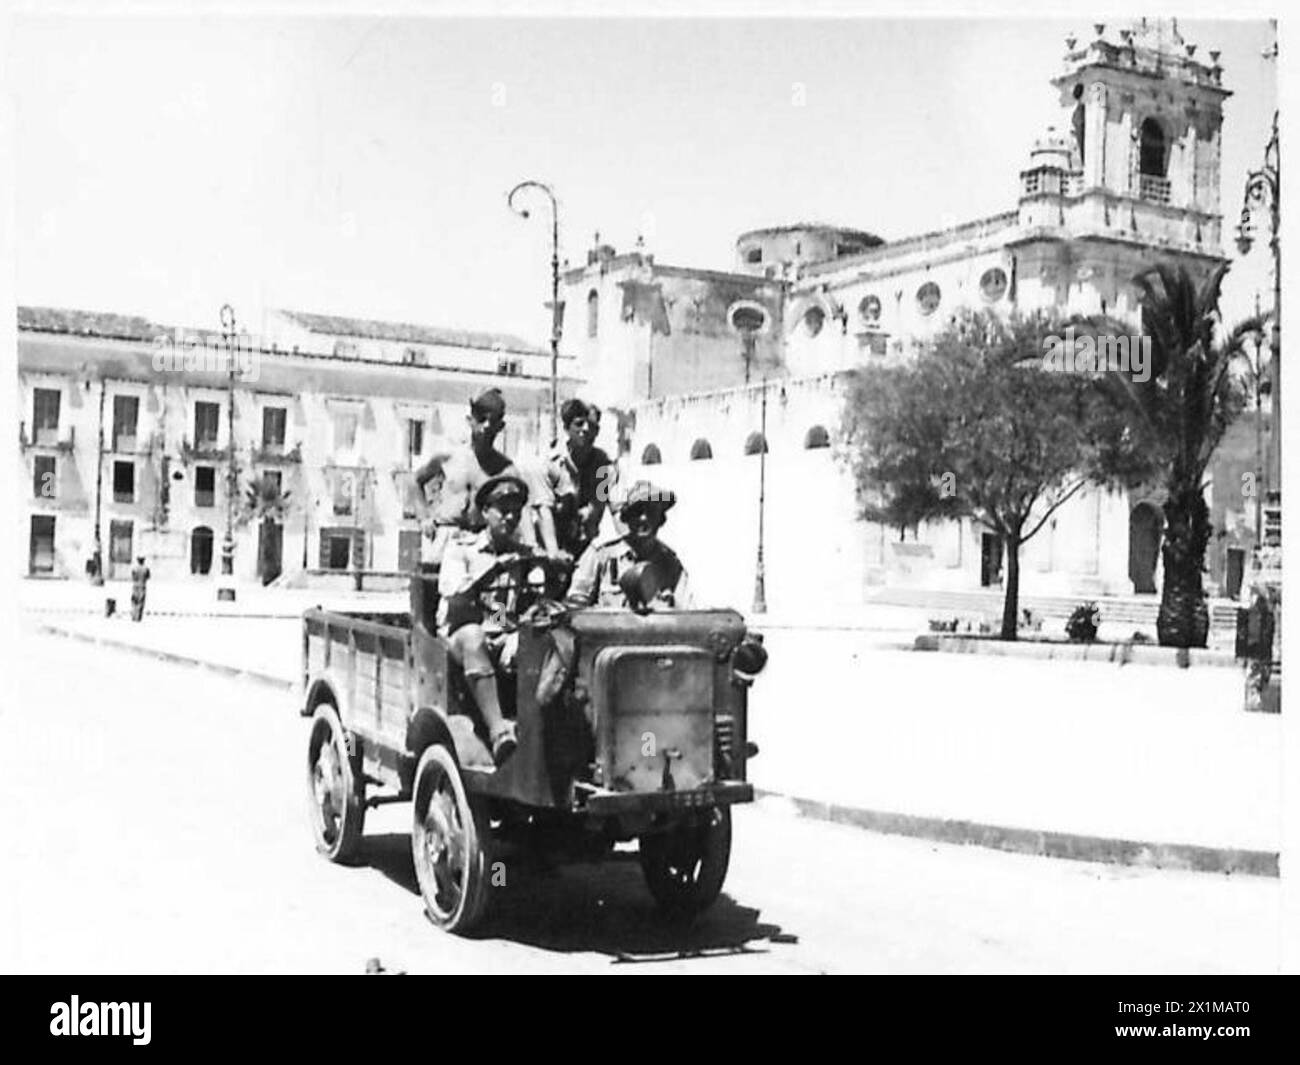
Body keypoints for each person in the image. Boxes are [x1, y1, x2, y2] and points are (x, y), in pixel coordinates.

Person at [437, 474, 540, 765]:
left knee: (539, 640)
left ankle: (531, 729)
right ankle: (498, 732)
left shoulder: (521, 555)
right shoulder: (462, 549)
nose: (510, 518)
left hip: (500, 628)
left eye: (516, 512)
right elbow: (456, 596)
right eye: (502, 511)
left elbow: (511, 608)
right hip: (459, 634)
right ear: (485, 512)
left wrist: (543, 571)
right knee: (474, 636)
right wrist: (493, 568)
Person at [414, 387, 561, 564]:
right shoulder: (448, 457)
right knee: (432, 586)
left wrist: (531, 545)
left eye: (492, 421)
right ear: (470, 420)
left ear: (501, 426)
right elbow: (415, 481)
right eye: (481, 419)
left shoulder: (506, 469)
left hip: (480, 545)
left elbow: (521, 510)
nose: (486, 427)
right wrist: (424, 517)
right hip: (444, 538)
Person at [567, 480, 690, 610]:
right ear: (627, 518)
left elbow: (686, 612)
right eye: (637, 512)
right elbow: (576, 606)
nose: (643, 518)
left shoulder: (670, 564)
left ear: (661, 519)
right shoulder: (602, 556)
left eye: (651, 511)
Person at [547, 398, 618, 562]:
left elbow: (609, 507)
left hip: (585, 549)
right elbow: (542, 513)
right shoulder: (551, 465)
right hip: (552, 549)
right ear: (566, 428)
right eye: (579, 424)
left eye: (592, 426)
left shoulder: (603, 466)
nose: (586, 429)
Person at [130, 556, 151, 622]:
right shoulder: (146, 569)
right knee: (141, 601)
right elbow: (148, 577)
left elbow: (133, 576)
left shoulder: (134, 568)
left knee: (134, 600)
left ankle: (134, 615)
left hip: (135, 586)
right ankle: (138, 617)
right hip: (142, 585)